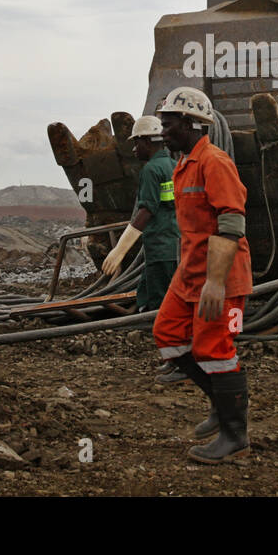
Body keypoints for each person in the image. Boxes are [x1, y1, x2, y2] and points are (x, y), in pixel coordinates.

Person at [152, 85, 253, 464]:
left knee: (216, 349)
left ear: (191, 123)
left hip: (222, 277)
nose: (163, 131)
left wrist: (215, 281)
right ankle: (218, 402)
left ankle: (235, 436)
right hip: (190, 272)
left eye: (168, 123)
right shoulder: (182, 164)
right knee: (168, 333)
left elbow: (231, 222)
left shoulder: (215, 161)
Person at [101, 115, 183, 382]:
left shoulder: (150, 171)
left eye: (137, 143)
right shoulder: (174, 165)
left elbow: (146, 210)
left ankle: (180, 363)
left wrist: (120, 250)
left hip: (161, 248)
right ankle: (173, 359)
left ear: (149, 141)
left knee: (164, 308)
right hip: (174, 245)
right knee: (153, 299)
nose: (134, 149)